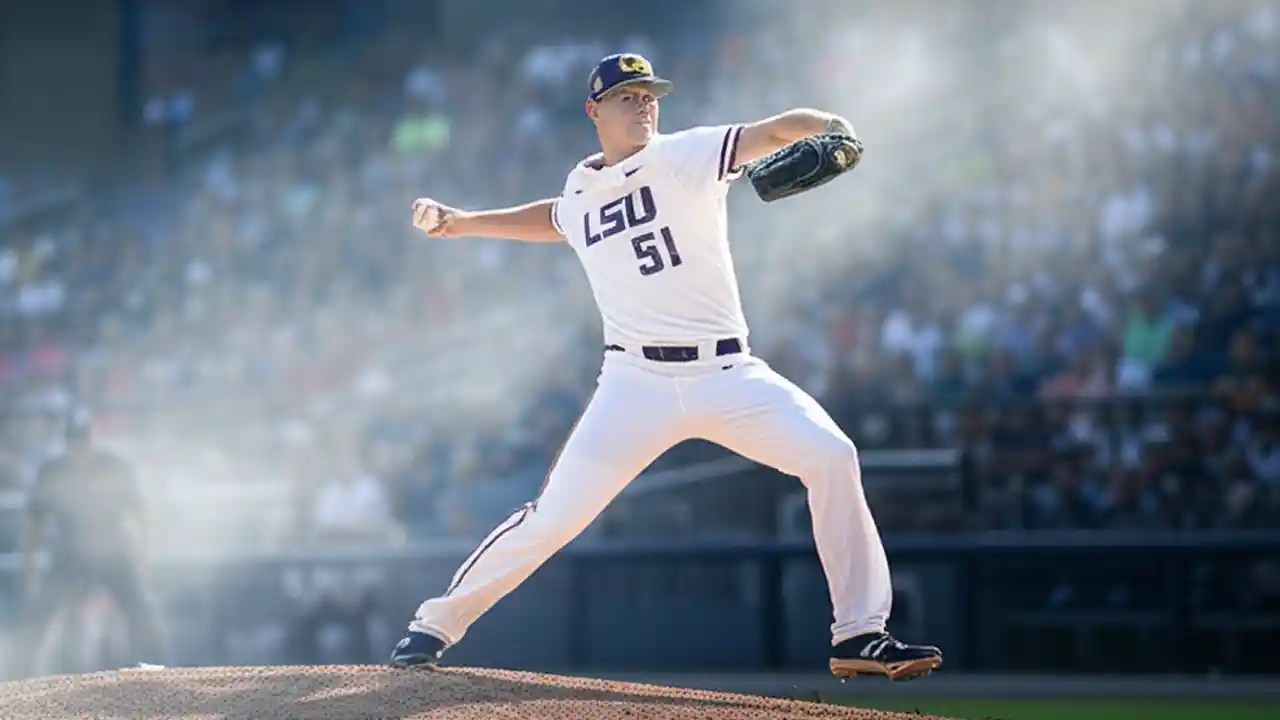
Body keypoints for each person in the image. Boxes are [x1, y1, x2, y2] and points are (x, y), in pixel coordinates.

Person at [390, 53, 941, 681]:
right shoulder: (581, 189)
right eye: (628, 96)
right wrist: (463, 223)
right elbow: (555, 218)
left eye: (650, 94)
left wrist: (832, 123)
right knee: (553, 518)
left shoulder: (687, 155)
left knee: (832, 456)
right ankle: (432, 626)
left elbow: (778, 128)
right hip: (634, 386)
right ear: (594, 110)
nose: (645, 103)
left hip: (728, 373)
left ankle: (860, 634)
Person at [12, 412, 167, 676]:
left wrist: (143, 554)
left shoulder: (114, 467)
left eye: (84, 440)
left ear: (92, 440)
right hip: (70, 550)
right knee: (40, 612)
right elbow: (35, 522)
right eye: (74, 441)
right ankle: (17, 677)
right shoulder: (54, 471)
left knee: (140, 609)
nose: (80, 447)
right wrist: (30, 566)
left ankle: (157, 671)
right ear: (67, 443)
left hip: (114, 548)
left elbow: (139, 512)